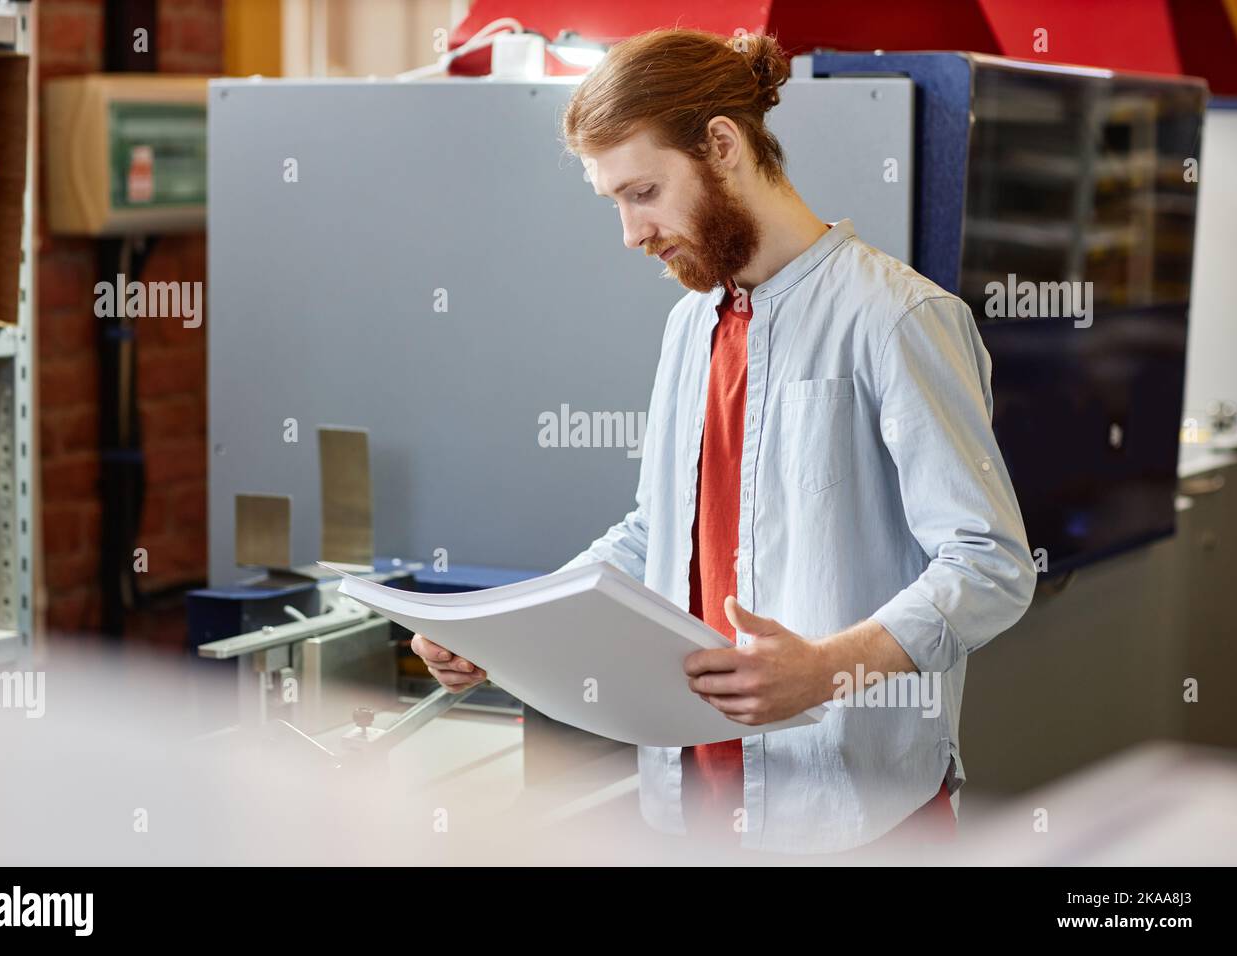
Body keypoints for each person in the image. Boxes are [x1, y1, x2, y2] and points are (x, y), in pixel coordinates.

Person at [411, 28, 1036, 855]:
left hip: (857, 821)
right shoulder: (689, 326)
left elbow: (989, 564)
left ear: (721, 144)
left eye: (644, 192)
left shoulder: (896, 318)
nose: (632, 234)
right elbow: (652, 537)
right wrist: (499, 632)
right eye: (615, 202)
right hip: (691, 811)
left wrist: (829, 666)